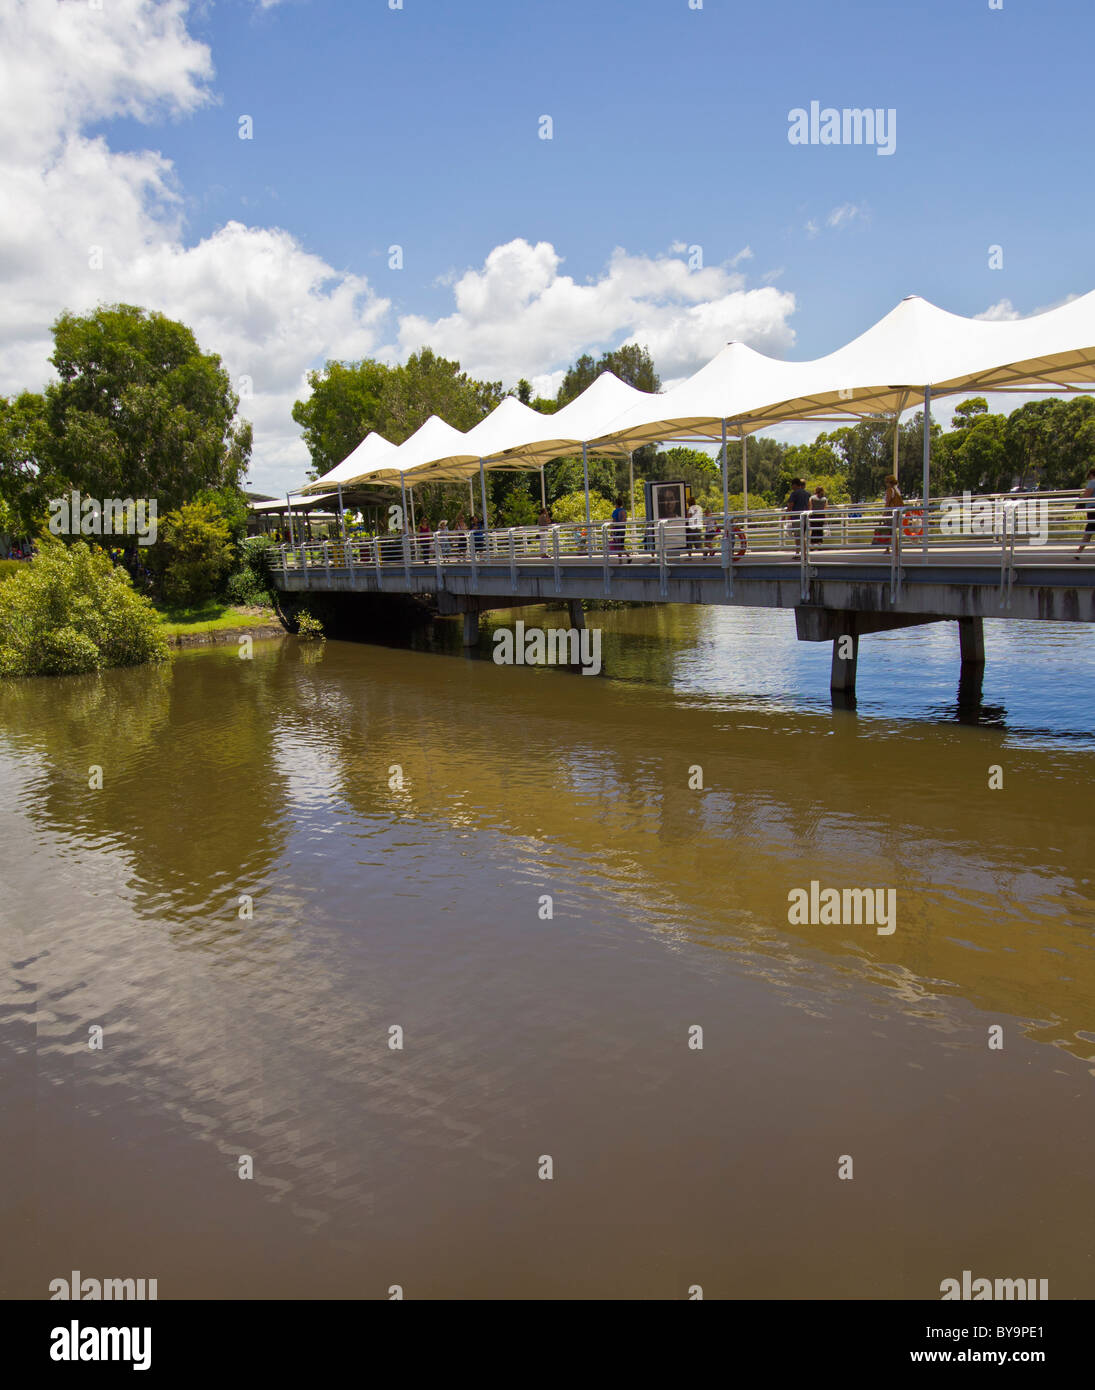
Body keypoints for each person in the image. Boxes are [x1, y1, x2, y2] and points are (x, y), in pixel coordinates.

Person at [873, 473, 903, 549]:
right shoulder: (897, 490)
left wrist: (884, 513)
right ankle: (889, 549)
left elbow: (887, 502)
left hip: (890, 512)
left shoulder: (890, 490)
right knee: (890, 530)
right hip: (897, 512)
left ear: (888, 482)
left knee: (891, 531)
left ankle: (895, 549)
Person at [785, 477, 810, 552]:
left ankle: (799, 553)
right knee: (803, 535)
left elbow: (790, 506)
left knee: (798, 535)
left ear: (795, 485)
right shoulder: (807, 493)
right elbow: (809, 505)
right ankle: (803, 553)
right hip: (805, 517)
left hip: (797, 517)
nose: (792, 487)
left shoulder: (794, 494)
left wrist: (784, 516)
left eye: (792, 485)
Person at [1075, 467, 1095, 558]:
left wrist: (1079, 500)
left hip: (1092, 509)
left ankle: (1079, 552)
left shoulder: (1092, 482)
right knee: (1089, 531)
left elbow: (1087, 495)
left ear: (1091, 474)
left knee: (1089, 530)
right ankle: (1078, 552)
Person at [610, 498, 629, 562]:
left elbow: (614, 521)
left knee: (618, 544)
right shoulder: (624, 511)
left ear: (616, 504)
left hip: (617, 529)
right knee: (621, 544)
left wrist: (611, 530)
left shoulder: (615, 511)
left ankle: (625, 557)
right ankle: (623, 558)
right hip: (623, 529)